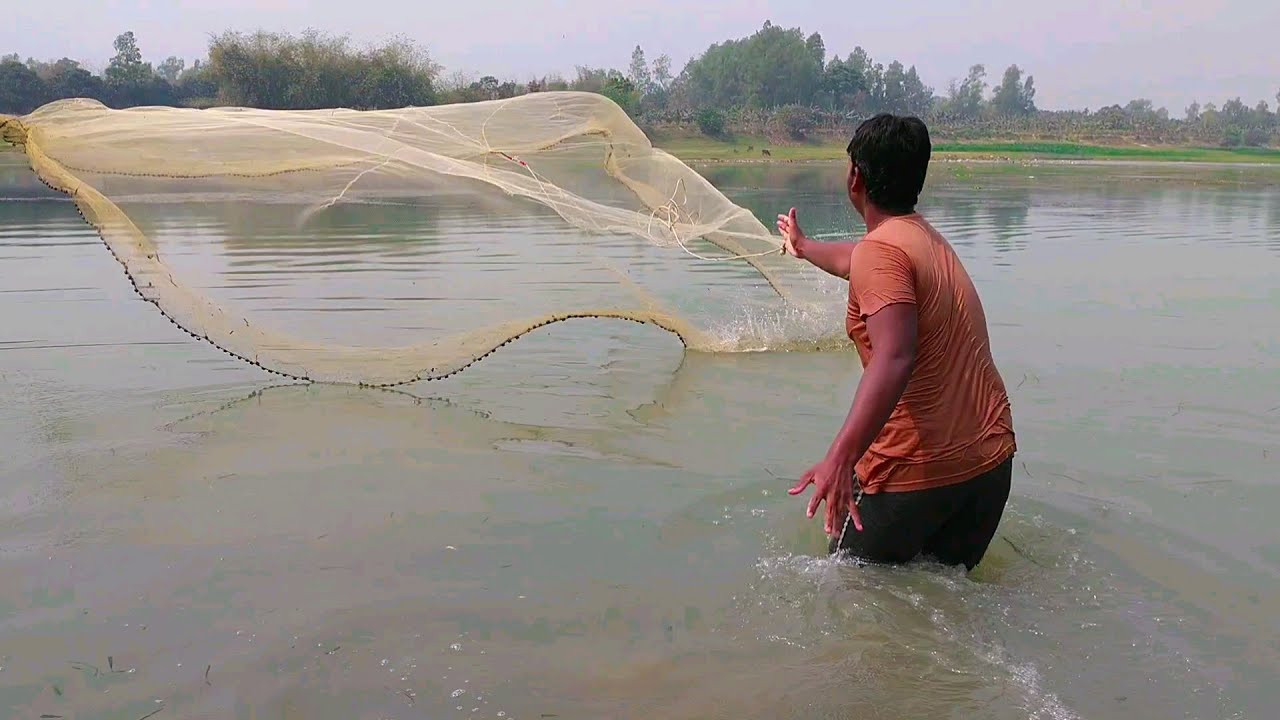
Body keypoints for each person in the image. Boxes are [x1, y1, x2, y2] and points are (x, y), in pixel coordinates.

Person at [776, 113, 1016, 571]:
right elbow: (856, 259)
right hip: (988, 468)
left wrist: (838, 459)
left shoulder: (882, 253)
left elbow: (894, 357)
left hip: (917, 473)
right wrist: (803, 247)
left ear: (855, 177)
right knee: (938, 611)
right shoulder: (920, 238)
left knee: (851, 593)